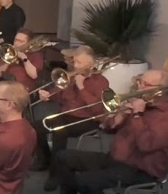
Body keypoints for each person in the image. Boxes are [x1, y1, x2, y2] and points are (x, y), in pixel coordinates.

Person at [41, 69, 168, 194]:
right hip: (114, 159)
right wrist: (120, 116)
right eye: (139, 81)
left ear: (161, 90)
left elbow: (146, 145)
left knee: (85, 181)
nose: (139, 86)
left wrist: (138, 115)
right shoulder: (144, 106)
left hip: (140, 171)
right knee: (63, 157)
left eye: (145, 84)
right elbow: (108, 128)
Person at [33, 45, 110, 182]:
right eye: (74, 61)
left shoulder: (101, 82)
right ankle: (45, 160)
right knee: (36, 127)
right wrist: (48, 95)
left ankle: (55, 173)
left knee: (58, 130)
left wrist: (81, 87)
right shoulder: (71, 77)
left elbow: (98, 109)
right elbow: (58, 96)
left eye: (79, 62)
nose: (75, 65)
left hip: (88, 120)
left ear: (90, 64)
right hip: (65, 115)